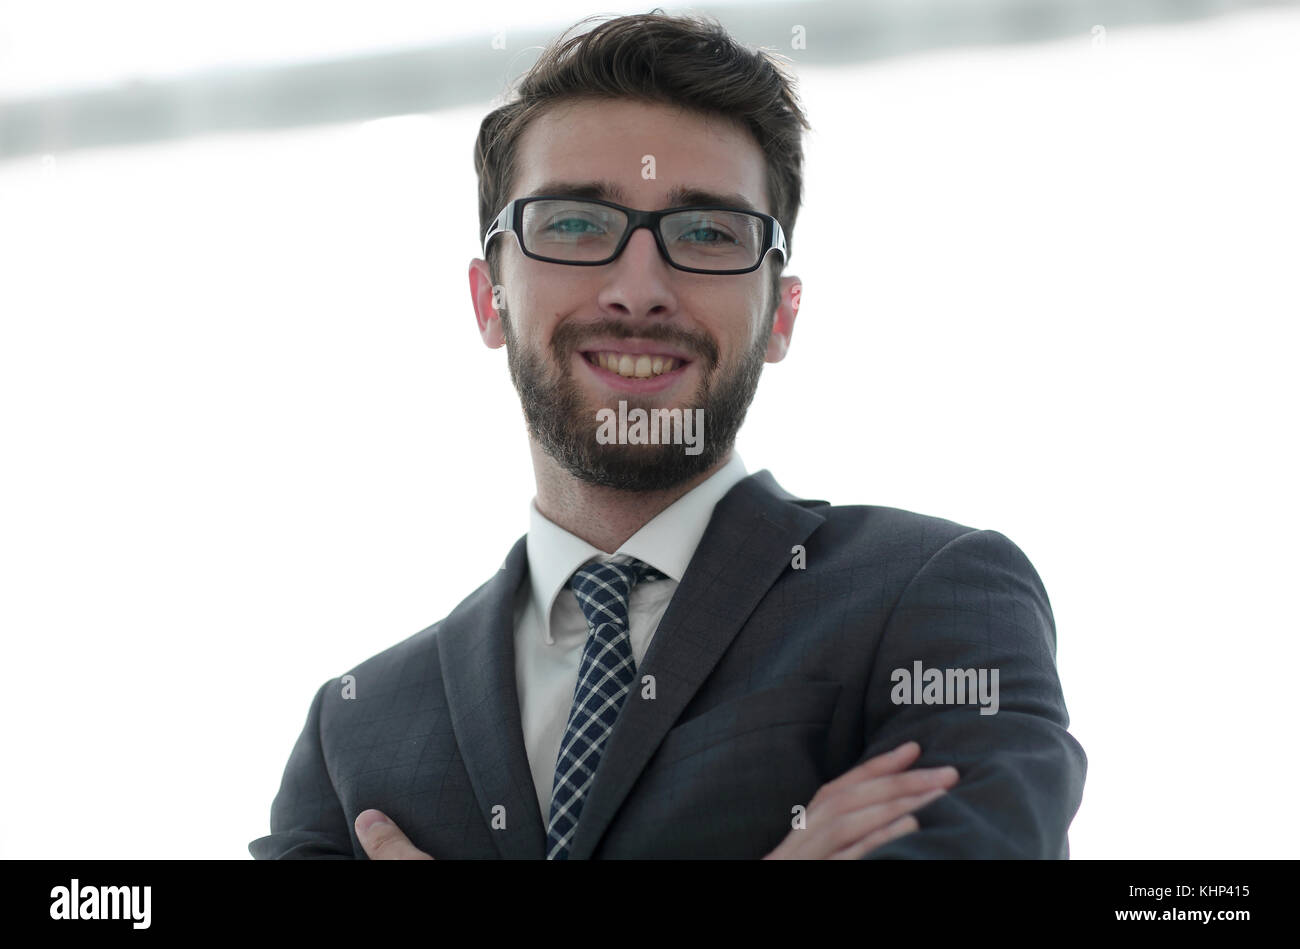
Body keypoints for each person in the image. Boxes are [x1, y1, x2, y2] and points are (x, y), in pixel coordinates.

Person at [249, 12, 1086, 861]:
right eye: (574, 224)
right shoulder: (353, 730)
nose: (639, 288)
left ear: (780, 316)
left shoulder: (935, 600)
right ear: (488, 299)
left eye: (707, 234)